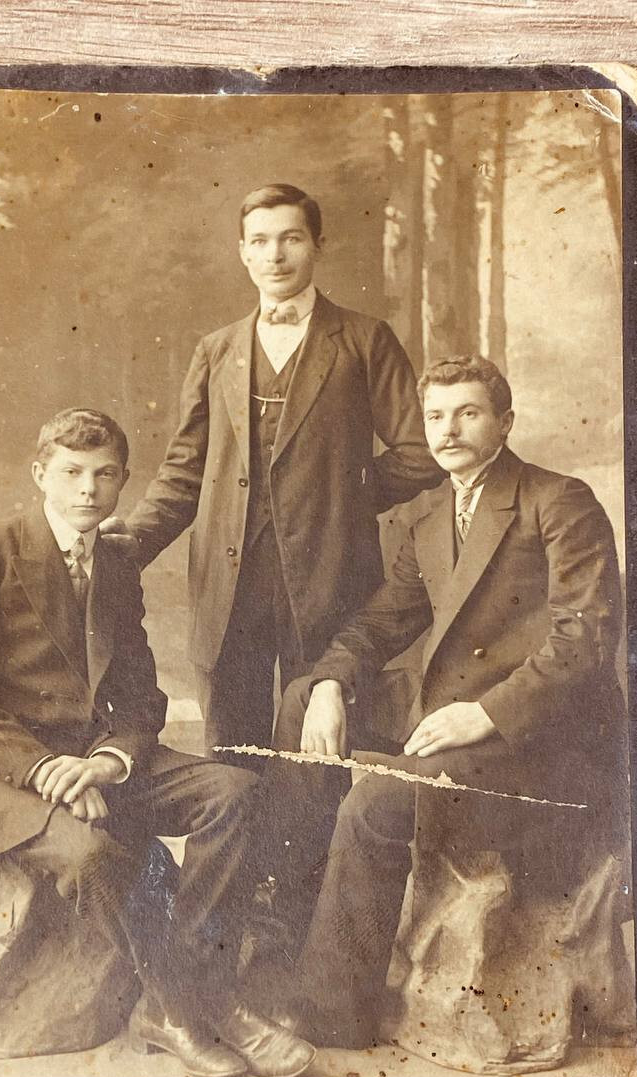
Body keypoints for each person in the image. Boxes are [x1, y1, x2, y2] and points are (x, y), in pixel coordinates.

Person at [0, 407, 315, 1077]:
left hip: (92, 757)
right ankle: (184, 1008)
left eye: (104, 475)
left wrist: (106, 761)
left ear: (124, 481)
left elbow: (140, 696)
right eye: (71, 473)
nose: (87, 489)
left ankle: (194, 992)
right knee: (94, 854)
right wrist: (48, 773)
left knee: (235, 792)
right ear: (41, 474)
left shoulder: (117, 562)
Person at [260, 355, 628, 1047]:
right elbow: (378, 622)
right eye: (434, 416)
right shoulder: (430, 515)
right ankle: (285, 941)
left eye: (468, 412)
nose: (448, 430)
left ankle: (332, 1013)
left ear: (505, 422)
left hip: (541, 744)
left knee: (376, 802)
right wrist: (332, 682)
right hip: (462, 720)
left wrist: (486, 713)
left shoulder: (559, 500)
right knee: (299, 703)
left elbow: (583, 639)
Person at [106, 183, 441, 753]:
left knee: (318, 737)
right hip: (228, 579)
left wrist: (347, 495)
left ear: (317, 246)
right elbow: (185, 470)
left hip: (330, 570)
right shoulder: (216, 350)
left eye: (290, 239)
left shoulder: (364, 340)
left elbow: (421, 450)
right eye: (259, 241)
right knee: (232, 748)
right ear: (242, 251)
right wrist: (131, 541)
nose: (275, 255)